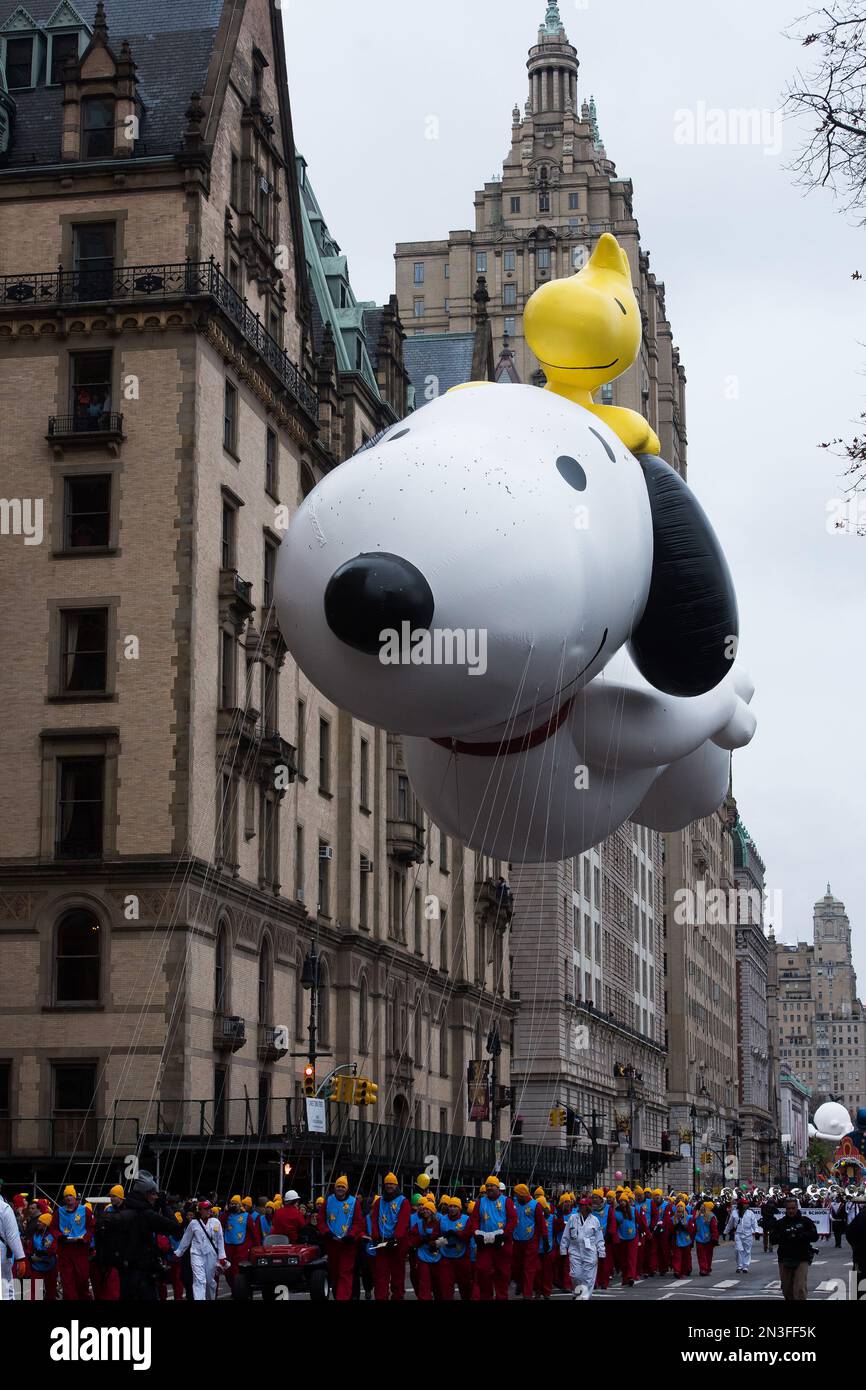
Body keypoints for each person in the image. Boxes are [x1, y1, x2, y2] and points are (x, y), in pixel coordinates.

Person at [114, 1174, 182, 1301]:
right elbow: (176, 1229)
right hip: (144, 1274)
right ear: (146, 1194)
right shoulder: (147, 1215)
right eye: (154, 1194)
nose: (156, 1197)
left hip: (125, 1273)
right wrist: (163, 1206)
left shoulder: (124, 1211)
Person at [465, 1175, 516, 1301]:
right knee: (482, 1271)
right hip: (485, 1244)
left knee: (502, 1274)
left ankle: (501, 1297)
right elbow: (475, 1220)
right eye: (487, 1186)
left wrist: (504, 1235)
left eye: (492, 1185)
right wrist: (476, 1234)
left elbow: (513, 1220)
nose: (489, 1188)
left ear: (498, 1187)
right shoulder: (480, 1202)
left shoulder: (507, 1201)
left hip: (502, 1244)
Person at [317, 1176, 363, 1302]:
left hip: (348, 1244)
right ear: (334, 1187)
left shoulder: (354, 1202)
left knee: (345, 1272)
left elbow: (358, 1222)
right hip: (332, 1243)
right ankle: (339, 1295)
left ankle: (343, 1297)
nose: (340, 1189)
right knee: (335, 1273)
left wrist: (351, 1235)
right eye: (338, 1186)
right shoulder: (328, 1200)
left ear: (346, 1188)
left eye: (343, 1187)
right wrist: (326, 1232)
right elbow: (320, 1219)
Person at [173, 1201, 228, 1300]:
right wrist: (178, 1253)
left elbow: (220, 1240)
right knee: (199, 1280)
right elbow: (186, 1239)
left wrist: (222, 1257)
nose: (209, 1210)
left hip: (211, 1255)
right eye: (206, 1209)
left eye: (209, 1208)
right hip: (196, 1254)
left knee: (209, 1281)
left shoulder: (216, 1222)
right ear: (200, 1210)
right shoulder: (193, 1223)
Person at [49, 1185, 94, 1300]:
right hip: (65, 1250)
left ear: (75, 1197)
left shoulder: (85, 1210)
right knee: (67, 1281)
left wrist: (85, 1238)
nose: (68, 1198)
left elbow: (91, 1227)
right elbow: (53, 1228)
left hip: (80, 1249)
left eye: (70, 1195)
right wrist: (60, 1237)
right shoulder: (59, 1211)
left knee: (82, 1279)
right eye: (66, 1196)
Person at [370, 1173, 410, 1301]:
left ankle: (398, 1296)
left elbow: (403, 1222)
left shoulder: (403, 1201)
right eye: (387, 1184)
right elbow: (374, 1219)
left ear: (396, 1185)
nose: (389, 1186)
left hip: (397, 1242)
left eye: (392, 1183)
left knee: (397, 1271)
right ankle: (381, 1297)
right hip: (381, 1242)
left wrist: (396, 1237)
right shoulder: (379, 1202)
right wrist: (375, 1235)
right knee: (381, 1272)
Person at [770, 1197, 818, 1302]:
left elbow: (815, 1236)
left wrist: (801, 1235)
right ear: (785, 1209)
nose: (791, 1211)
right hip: (785, 1258)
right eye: (788, 1209)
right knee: (787, 1289)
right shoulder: (780, 1223)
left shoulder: (805, 1221)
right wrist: (785, 1235)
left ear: (797, 1208)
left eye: (793, 1208)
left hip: (802, 1258)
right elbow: (772, 1239)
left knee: (800, 1287)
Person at [560, 1196, 606, 1299]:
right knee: (575, 1275)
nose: (582, 1207)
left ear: (588, 1207)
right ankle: (577, 1293)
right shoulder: (573, 1218)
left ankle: (583, 1297)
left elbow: (599, 1238)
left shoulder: (595, 1220)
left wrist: (601, 1251)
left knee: (588, 1278)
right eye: (580, 1205)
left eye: (584, 1205)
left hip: (590, 1252)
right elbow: (566, 1235)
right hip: (575, 1251)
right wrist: (563, 1249)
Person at [511, 1184, 546, 1298]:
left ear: (522, 1194)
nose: (515, 1196)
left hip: (531, 1241)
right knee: (517, 1267)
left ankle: (527, 1294)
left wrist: (545, 1240)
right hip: (516, 1241)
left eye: (517, 1194)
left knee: (529, 1268)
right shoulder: (514, 1205)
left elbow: (541, 1224)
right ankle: (525, 1285)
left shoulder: (535, 1205)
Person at [90, 1186, 125, 1300]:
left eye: (114, 1196)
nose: (111, 1198)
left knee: (114, 1289)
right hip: (35, 1264)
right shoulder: (107, 1213)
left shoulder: (125, 1212)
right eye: (110, 1196)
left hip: (117, 1258)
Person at [437, 1197, 472, 1300]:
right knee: (446, 1286)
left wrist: (457, 1234)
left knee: (465, 1285)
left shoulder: (466, 1219)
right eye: (450, 1206)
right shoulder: (442, 1219)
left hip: (461, 1256)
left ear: (460, 1208)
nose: (452, 1208)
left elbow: (469, 1234)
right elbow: (436, 1236)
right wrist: (443, 1240)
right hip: (445, 1256)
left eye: (455, 1206)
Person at [221, 1195, 257, 1291]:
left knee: (238, 1272)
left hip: (242, 1248)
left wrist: (256, 1246)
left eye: (235, 1204)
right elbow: (220, 1222)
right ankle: (235, 1288)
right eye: (231, 1203)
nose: (233, 1205)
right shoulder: (227, 1215)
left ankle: (239, 1290)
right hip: (228, 1247)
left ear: (240, 1205)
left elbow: (253, 1233)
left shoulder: (247, 1216)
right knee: (227, 1272)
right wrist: (227, 1211)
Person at [409, 1197, 441, 1300]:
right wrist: (421, 1240)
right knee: (424, 1282)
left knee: (437, 1283)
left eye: (428, 1209)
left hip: (437, 1256)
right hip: (422, 1255)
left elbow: (444, 1238)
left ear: (433, 1211)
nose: (425, 1210)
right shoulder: (418, 1224)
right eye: (424, 1209)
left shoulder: (439, 1223)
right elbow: (412, 1239)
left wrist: (435, 1242)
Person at [0, 1186, 26, 1301]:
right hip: (2, 1251)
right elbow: (12, 1235)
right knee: (5, 1287)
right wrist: (20, 1258)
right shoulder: (3, 1207)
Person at [724, 1197, 761, 1275]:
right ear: (740, 1204)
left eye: (747, 1203)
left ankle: (745, 1266)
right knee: (738, 1250)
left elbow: (754, 1223)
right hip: (738, 1234)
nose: (746, 1205)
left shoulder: (750, 1213)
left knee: (747, 1251)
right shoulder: (734, 1213)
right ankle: (739, 1266)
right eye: (744, 1203)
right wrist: (725, 1232)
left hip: (748, 1234)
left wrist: (757, 1231)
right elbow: (730, 1224)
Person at [29, 1212, 58, 1301]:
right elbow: (30, 1248)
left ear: (46, 1224)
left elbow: (53, 1250)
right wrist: (31, 1257)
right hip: (36, 1266)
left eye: (40, 1222)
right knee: (35, 1291)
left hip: (50, 1266)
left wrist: (42, 1256)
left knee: (51, 1291)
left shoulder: (52, 1235)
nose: (38, 1223)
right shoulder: (35, 1234)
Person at [845, 1197, 866, 1294]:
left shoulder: (861, 1215)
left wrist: (855, 1246)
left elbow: (849, 1233)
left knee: (859, 1286)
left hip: (860, 1255)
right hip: (861, 1254)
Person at [695, 1201, 719, 1276]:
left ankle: (707, 1268)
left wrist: (715, 1238)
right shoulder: (697, 1215)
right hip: (699, 1238)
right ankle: (703, 1269)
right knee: (701, 1255)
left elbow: (714, 1229)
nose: (701, 1206)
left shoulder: (711, 1216)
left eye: (703, 1205)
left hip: (708, 1239)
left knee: (708, 1255)